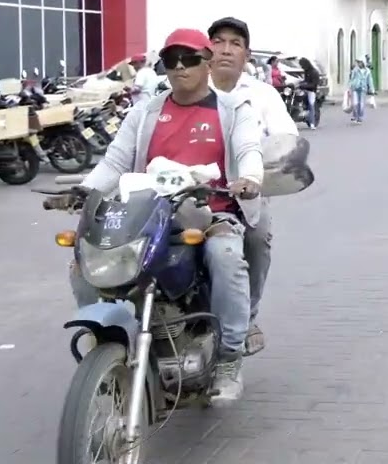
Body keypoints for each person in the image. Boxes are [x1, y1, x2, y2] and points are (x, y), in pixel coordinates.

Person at [63, 27, 263, 404]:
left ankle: (229, 357)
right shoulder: (146, 111)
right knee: (86, 257)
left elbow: (249, 149)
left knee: (226, 257)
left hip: (211, 212)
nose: (180, 67)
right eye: (171, 61)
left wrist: (250, 178)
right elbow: (115, 162)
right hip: (148, 213)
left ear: (207, 63)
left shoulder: (233, 110)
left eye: (189, 59)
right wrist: (86, 190)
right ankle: (106, 344)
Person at [207, 17, 299, 358]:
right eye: (219, 41)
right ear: (207, 48)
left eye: (235, 43)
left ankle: (247, 318)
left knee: (257, 241)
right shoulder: (187, 90)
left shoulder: (262, 96)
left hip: (244, 198)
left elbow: (286, 141)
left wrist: (260, 177)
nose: (226, 49)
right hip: (186, 197)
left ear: (246, 55)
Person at [298, 58, 321, 129]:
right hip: (306, 90)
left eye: (302, 65)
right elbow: (306, 81)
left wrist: (304, 85)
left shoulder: (314, 72)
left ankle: (312, 123)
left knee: (311, 105)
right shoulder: (306, 71)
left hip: (311, 91)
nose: (301, 67)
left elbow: (314, 84)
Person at [348, 59, 373, 123]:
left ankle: (360, 117)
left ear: (363, 63)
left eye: (360, 62)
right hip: (355, 88)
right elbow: (351, 79)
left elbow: (370, 80)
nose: (359, 64)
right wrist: (350, 87)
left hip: (363, 89)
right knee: (355, 103)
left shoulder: (367, 71)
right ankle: (355, 116)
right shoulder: (355, 70)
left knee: (361, 104)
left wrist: (371, 89)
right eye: (358, 62)